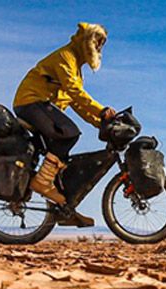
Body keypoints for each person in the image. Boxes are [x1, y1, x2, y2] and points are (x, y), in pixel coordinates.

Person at [13, 22, 116, 227]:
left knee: (63, 156)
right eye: (98, 42)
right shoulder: (65, 57)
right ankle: (42, 183)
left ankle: (64, 209)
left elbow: (75, 103)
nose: (99, 48)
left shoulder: (76, 68)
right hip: (31, 102)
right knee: (69, 133)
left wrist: (100, 122)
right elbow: (75, 92)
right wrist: (102, 110)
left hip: (43, 106)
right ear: (87, 40)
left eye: (102, 44)